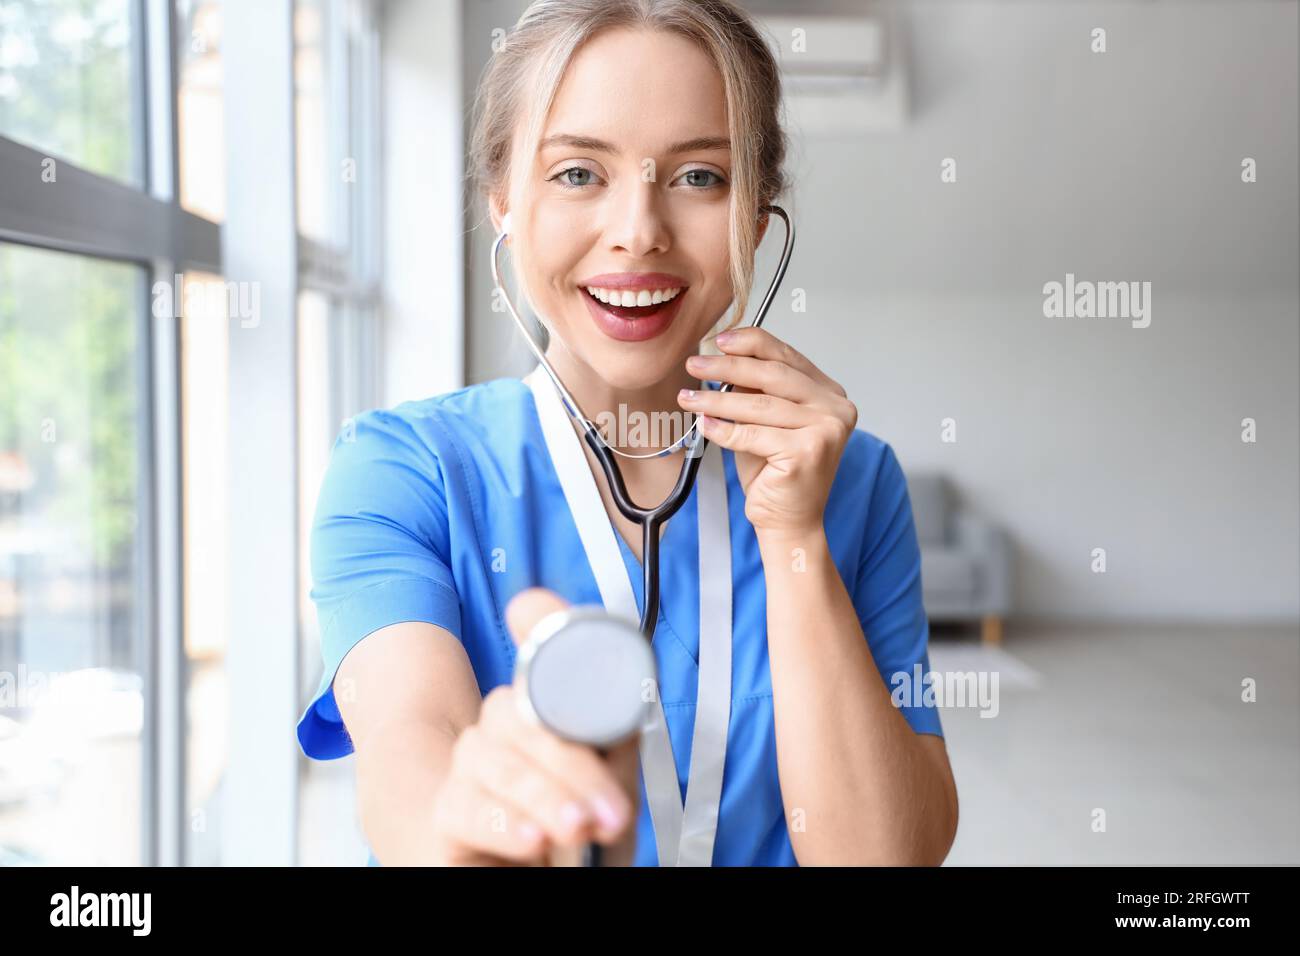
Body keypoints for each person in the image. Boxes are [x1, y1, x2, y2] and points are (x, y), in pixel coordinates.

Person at [296, 0, 958, 867]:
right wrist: (471, 830)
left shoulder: (856, 480)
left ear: (758, 216)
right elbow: (411, 762)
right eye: (577, 173)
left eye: (698, 178)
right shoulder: (403, 472)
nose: (639, 232)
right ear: (503, 199)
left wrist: (794, 539)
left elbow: (882, 857)